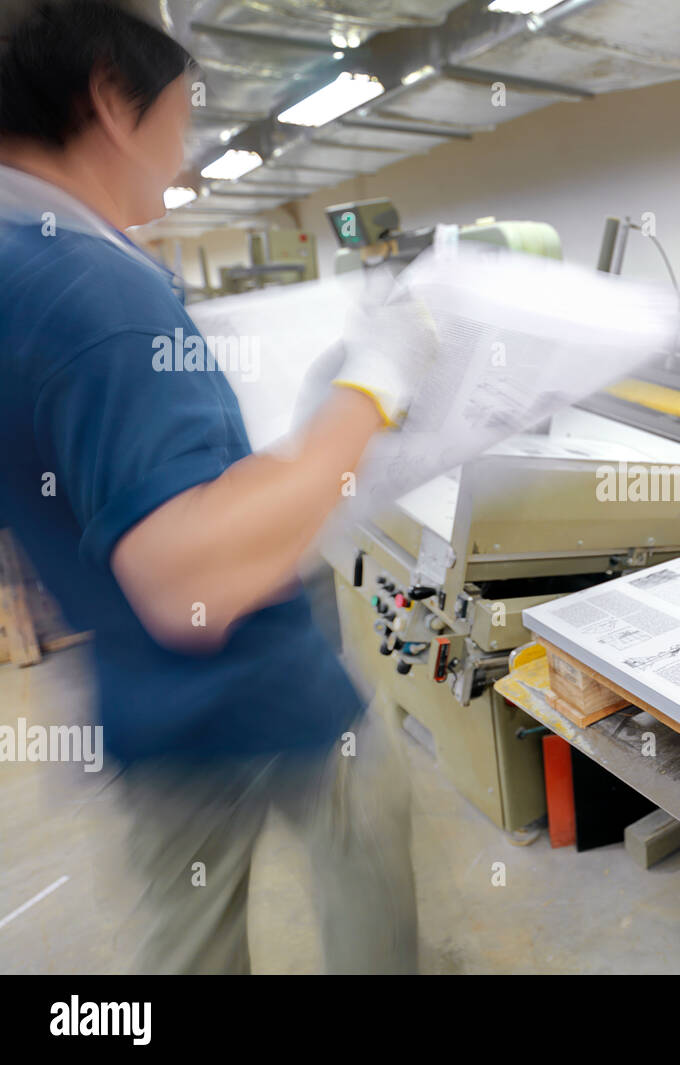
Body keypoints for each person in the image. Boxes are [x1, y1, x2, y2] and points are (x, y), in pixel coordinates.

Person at [0, 1, 428, 973]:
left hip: (142, 708)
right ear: (114, 101)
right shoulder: (93, 286)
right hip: (260, 687)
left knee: (187, 941)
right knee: (368, 839)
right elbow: (190, 573)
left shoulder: (17, 265)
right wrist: (369, 390)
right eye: (183, 114)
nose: (184, 149)